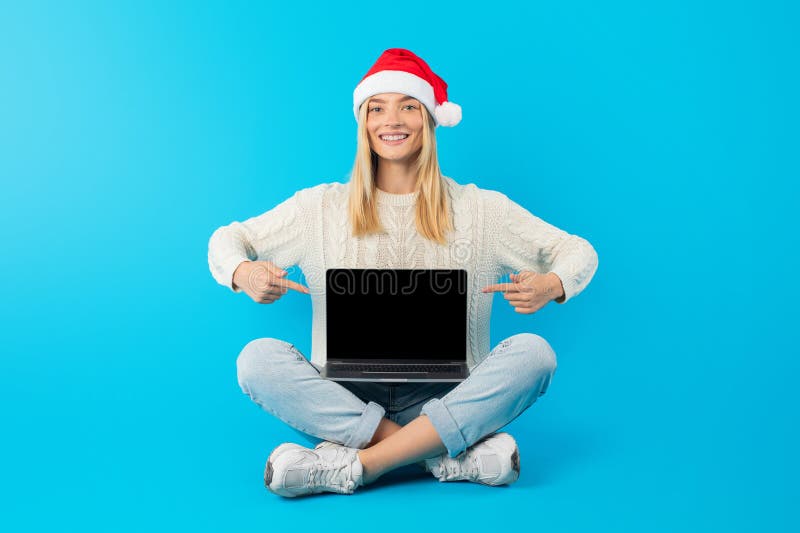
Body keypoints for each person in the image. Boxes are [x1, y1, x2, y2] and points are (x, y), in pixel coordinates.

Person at [207, 48, 599, 498]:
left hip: (449, 400)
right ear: (363, 122)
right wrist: (245, 273)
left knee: (535, 354)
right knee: (255, 360)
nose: (391, 121)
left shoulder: (482, 210)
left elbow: (578, 252)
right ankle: (438, 456)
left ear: (429, 119)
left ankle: (360, 465)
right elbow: (226, 240)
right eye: (377, 108)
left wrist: (551, 284)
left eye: (408, 106)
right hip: (345, 402)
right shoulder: (317, 208)